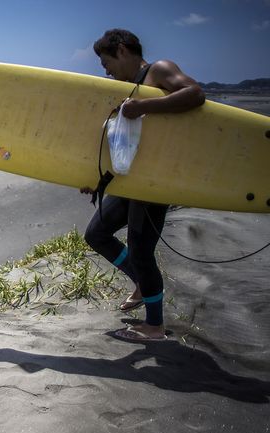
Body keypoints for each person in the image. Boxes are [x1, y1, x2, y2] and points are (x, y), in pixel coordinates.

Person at [81, 29, 205, 342]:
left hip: (154, 183)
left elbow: (194, 94)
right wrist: (97, 179)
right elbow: (125, 142)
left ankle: (154, 327)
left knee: (141, 250)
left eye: (105, 60)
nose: (104, 69)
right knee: (96, 233)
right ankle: (141, 283)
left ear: (121, 50)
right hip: (132, 180)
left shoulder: (158, 70)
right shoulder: (128, 86)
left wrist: (143, 106)